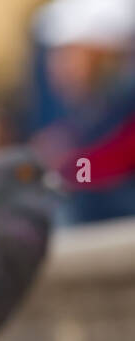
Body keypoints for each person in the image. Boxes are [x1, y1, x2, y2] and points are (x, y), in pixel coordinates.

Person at [34, 0, 135, 223]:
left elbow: (108, 170)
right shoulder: (87, 118)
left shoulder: (122, 115)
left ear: (105, 58)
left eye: (69, 54)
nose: (57, 68)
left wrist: (67, 165)